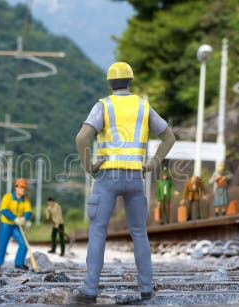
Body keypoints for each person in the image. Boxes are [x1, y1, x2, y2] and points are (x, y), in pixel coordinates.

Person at [72, 62, 176, 303]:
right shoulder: (143, 106)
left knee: (98, 232)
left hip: (107, 177)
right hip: (135, 178)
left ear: (109, 82)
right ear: (131, 81)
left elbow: (81, 139)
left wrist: (89, 166)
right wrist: (152, 163)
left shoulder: (104, 106)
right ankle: (147, 289)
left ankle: (89, 291)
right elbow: (169, 137)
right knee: (139, 233)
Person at [0, 178, 33, 271]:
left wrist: (24, 218)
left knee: (24, 244)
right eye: (21, 187)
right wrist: (14, 218)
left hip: (16, 226)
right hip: (6, 225)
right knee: (2, 244)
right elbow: (3, 210)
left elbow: (29, 211)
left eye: (24, 187)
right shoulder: (8, 197)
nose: (23, 189)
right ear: (16, 187)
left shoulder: (25, 200)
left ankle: (19, 263)